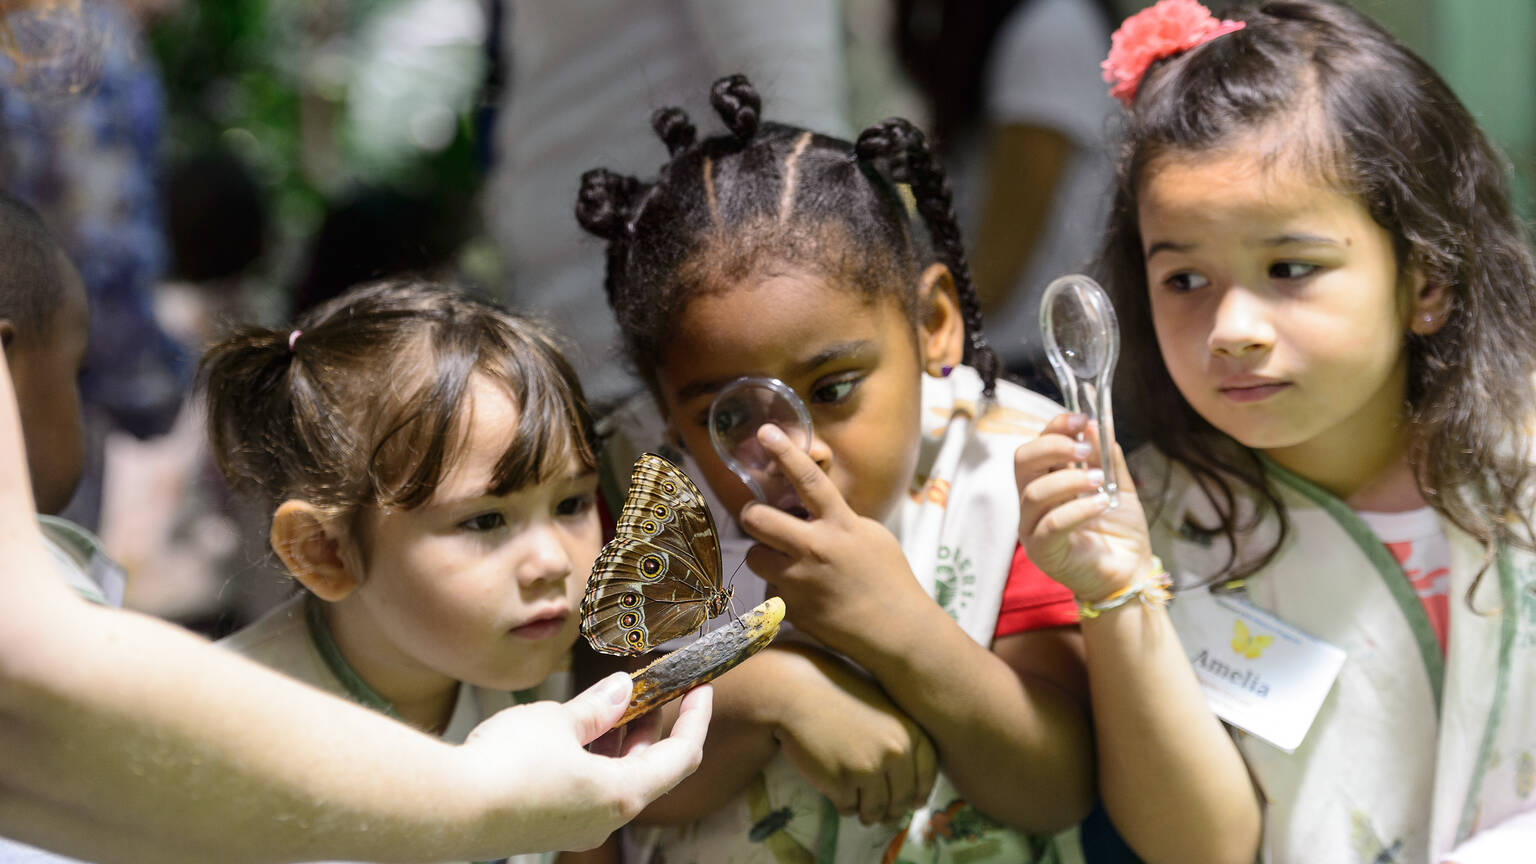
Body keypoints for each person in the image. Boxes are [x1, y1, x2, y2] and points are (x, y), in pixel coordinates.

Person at [0, 198, 712, 862]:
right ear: (324, 553)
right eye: (487, 520)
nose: (552, 561)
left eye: (570, 504)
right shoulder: (240, 739)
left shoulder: (532, 675)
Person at [1013, 2, 1536, 862]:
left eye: (1290, 268)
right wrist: (1117, 592)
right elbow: (1204, 848)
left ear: (1426, 280)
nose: (1232, 327)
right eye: (1184, 277)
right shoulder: (1158, 522)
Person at [576, 74, 1093, 863]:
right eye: (732, 415)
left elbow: (1055, 784)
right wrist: (768, 695)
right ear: (667, 408)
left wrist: (903, 633)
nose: (793, 448)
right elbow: (599, 786)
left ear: (934, 327)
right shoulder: (638, 496)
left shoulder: (1015, 470)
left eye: (834, 390)